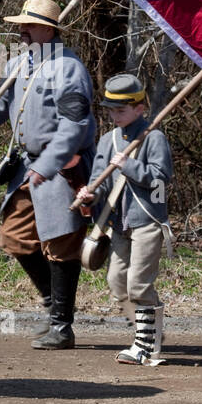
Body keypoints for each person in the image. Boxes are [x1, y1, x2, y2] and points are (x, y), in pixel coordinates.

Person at [0, 0, 97, 349]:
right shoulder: (21, 62)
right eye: (20, 25)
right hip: (25, 167)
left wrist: (47, 167)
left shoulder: (69, 69)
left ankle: (62, 326)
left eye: (27, 25)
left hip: (62, 167)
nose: (20, 30)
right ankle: (52, 305)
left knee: (61, 244)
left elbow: (75, 125)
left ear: (47, 29)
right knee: (13, 237)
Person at [75, 73, 173, 365]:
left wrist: (130, 165)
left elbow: (160, 182)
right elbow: (99, 180)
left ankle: (146, 347)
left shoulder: (154, 138)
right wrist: (90, 195)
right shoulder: (108, 140)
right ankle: (151, 333)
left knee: (139, 284)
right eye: (110, 109)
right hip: (118, 222)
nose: (114, 115)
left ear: (139, 108)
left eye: (121, 110)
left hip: (147, 220)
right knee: (117, 281)